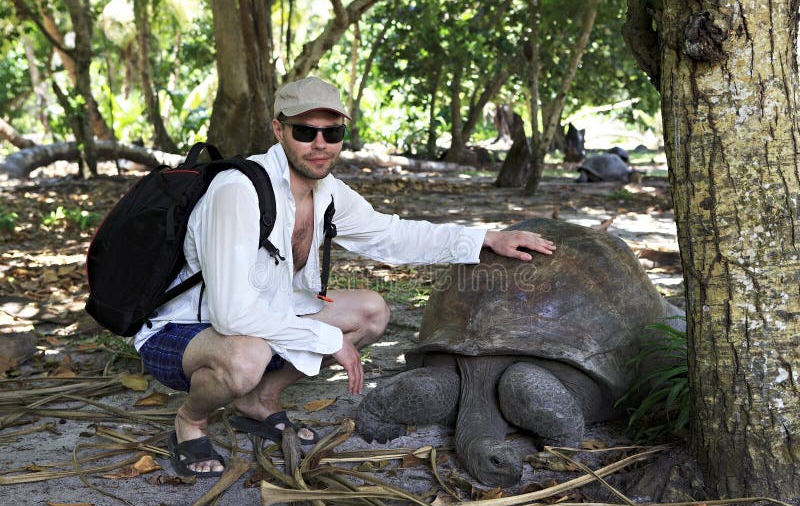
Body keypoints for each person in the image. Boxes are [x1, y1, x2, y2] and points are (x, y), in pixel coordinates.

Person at [134, 76, 556, 477]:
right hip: (184, 330)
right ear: (278, 130)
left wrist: (485, 238)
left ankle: (260, 400)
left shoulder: (327, 191)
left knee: (370, 312)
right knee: (246, 358)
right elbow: (232, 316)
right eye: (305, 132)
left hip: (262, 318)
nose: (320, 145)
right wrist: (328, 339)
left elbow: (391, 234)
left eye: (332, 134)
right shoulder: (237, 191)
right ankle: (191, 420)